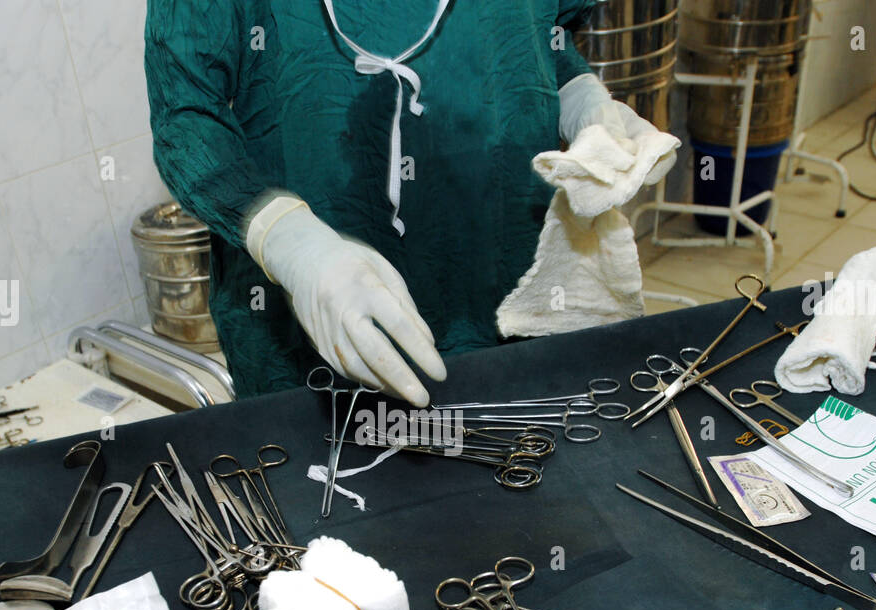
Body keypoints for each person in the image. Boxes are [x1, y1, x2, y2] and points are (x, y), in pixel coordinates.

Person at [145, 0, 675, 406]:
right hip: (305, 321)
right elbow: (186, 114)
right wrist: (291, 242)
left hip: (498, 274)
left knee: (528, 505)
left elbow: (535, 33)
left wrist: (583, 98)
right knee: (329, 527)